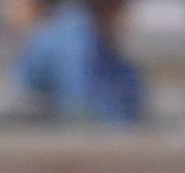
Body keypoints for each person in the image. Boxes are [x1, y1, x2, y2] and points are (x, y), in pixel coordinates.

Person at [10, 0, 145, 125]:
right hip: (43, 136)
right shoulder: (72, 35)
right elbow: (80, 110)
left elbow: (132, 96)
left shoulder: (102, 39)